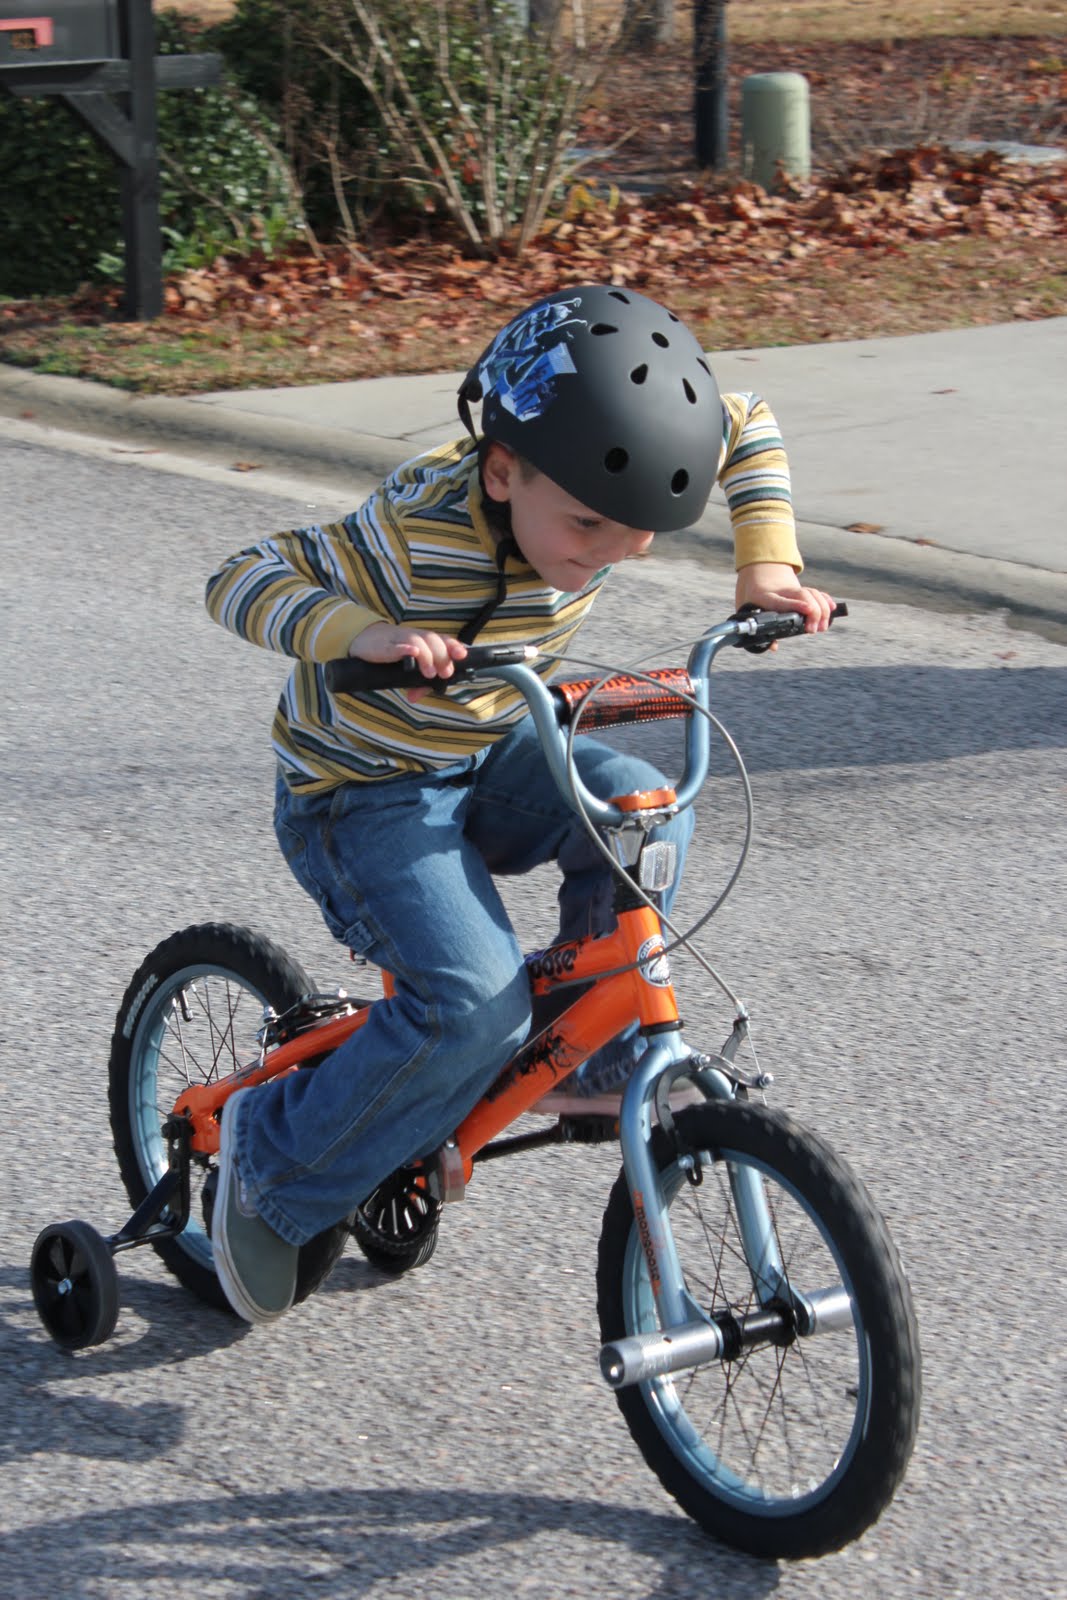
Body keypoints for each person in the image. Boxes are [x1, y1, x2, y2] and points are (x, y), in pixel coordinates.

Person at [204, 284, 835, 1324]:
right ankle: (274, 1172)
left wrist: (764, 567)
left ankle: (594, 1052)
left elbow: (744, 420)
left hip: (493, 743)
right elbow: (243, 574)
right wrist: (357, 632)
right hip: (360, 794)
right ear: (501, 469)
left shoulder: (610, 466)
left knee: (639, 798)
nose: (606, 549)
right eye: (585, 522)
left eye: (635, 531)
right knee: (472, 1003)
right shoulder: (412, 529)